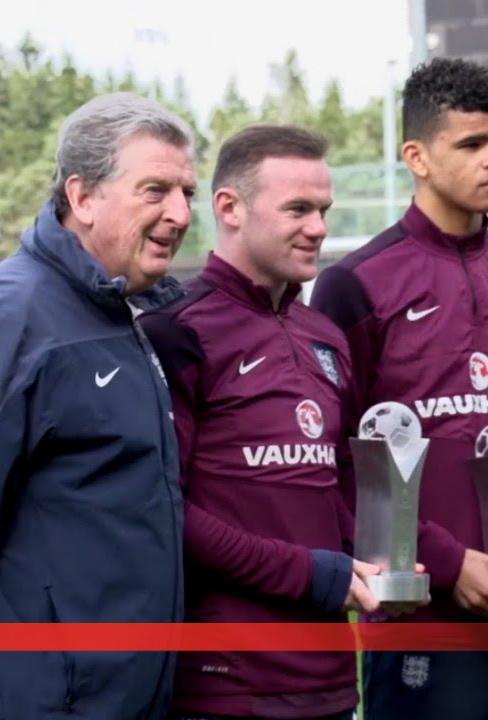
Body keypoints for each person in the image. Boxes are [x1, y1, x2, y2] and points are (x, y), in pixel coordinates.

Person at [0, 92, 197, 719]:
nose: (182, 213)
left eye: (187, 191)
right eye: (156, 190)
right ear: (82, 198)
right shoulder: (3, 317)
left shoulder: (123, 315)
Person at [310, 58, 488, 720]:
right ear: (418, 156)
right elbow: (340, 464)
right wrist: (445, 560)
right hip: (420, 618)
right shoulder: (356, 284)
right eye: (471, 144)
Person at [139, 124, 406, 720]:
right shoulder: (175, 333)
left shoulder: (326, 336)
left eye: (323, 209)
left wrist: (378, 559)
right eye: (298, 209)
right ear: (229, 208)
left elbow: (331, 487)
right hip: (225, 685)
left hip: (331, 682)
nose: (319, 227)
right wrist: (311, 574)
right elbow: (166, 513)